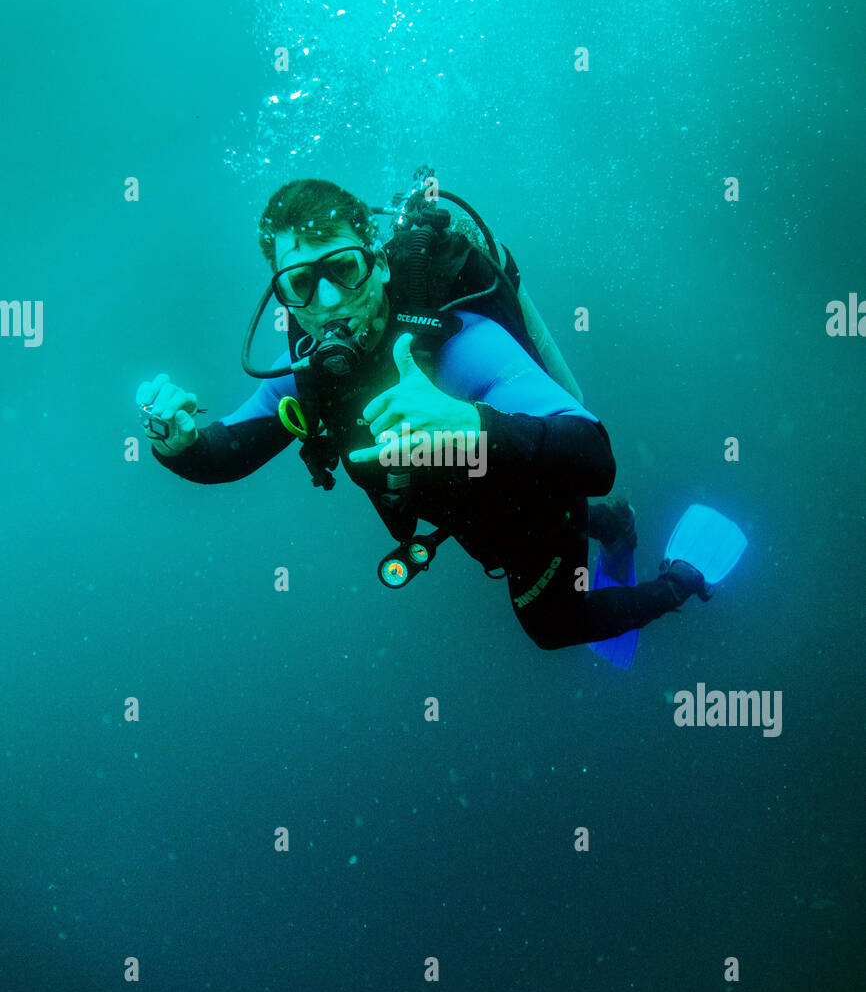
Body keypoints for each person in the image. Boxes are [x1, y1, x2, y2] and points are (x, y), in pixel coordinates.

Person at [136, 178, 732, 657]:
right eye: (300, 282)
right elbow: (225, 454)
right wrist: (177, 443)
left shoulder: (459, 345)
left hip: (532, 508)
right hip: (467, 519)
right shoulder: (309, 372)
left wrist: (471, 425)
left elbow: (595, 456)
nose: (326, 303)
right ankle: (614, 524)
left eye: (342, 268)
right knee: (519, 550)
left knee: (552, 626)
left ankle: (682, 578)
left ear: (380, 263)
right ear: (285, 294)